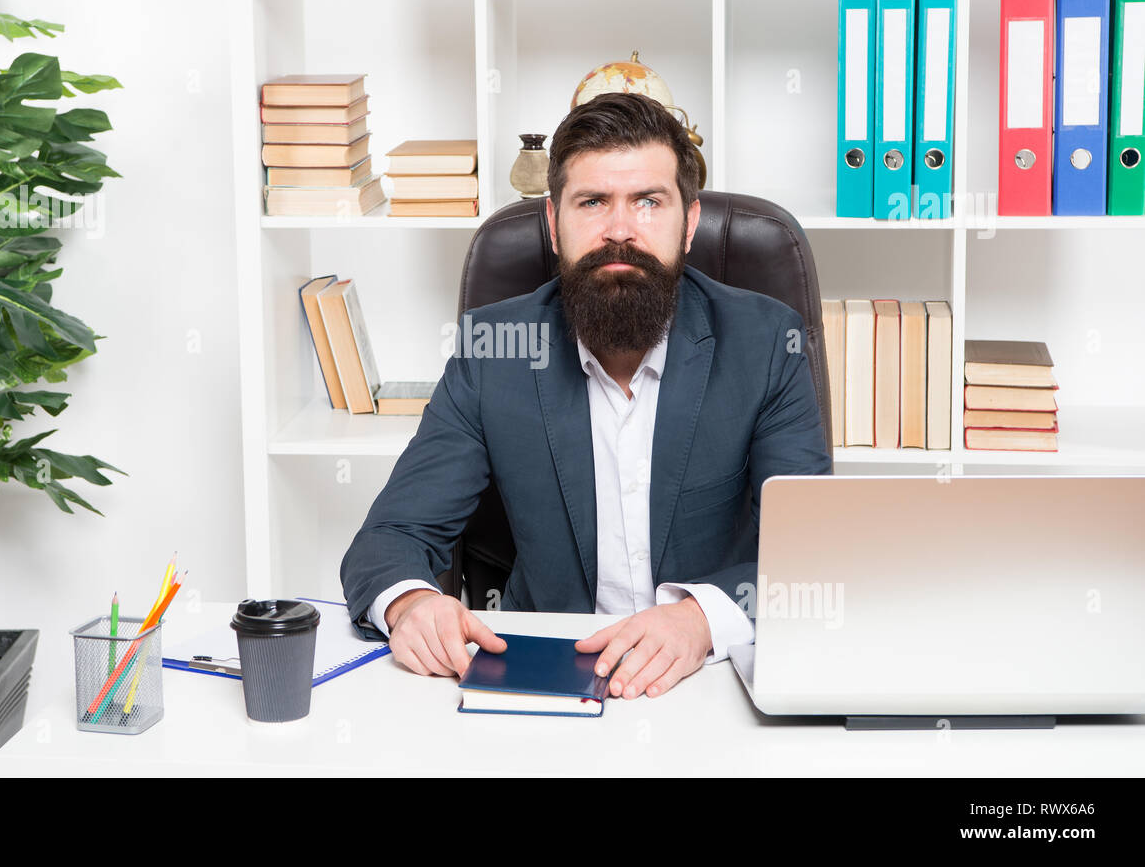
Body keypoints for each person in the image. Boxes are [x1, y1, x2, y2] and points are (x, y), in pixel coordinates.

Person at [341, 92, 831, 700]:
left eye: (649, 202)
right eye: (593, 202)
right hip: (542, 670)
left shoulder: (765, 342)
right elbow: (390, 537)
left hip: (708, 680)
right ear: (553, 222)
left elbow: (814, 554)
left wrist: (702, 618)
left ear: (690, 223)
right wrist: (411, 602)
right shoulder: (494, 350)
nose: (620, 230)